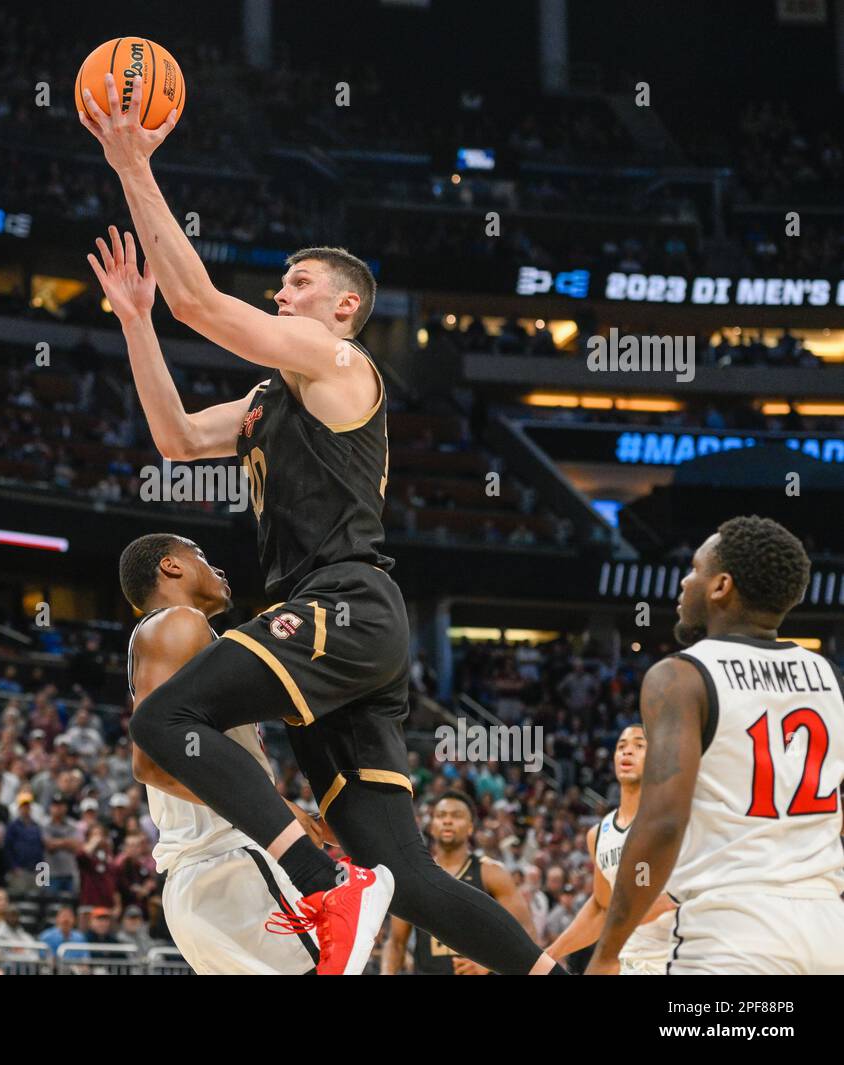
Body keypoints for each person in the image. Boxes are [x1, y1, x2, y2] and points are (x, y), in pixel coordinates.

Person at [81, 84, 563, 977]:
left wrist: (134, 165)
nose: (283, 292)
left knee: (167, 716)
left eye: (298, 283)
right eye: (283, 282)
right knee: (406, 876)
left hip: (343, 604)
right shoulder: (272, 397)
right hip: (340, 636)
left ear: (345, 307)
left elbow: (204, 305)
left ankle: (314, 879)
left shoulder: (341, 363)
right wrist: (137, 323)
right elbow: (178, 439)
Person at [588, 517, 844, 975]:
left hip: (731, 938)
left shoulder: (680, 676)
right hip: (829, 931)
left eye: (693, 569)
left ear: (721, 586)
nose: (685, 582)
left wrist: (608, 952)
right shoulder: (829, 677)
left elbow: (663, 820)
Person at [122, 535, 319, 974]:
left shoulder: (194, 638)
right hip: (232, 864)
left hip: (208, 881)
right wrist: (274, 813)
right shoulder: (179, 622)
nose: (221, 571)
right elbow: (151, 762)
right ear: (171, 567)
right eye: (204, 558)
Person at [547, 725, 675, 974]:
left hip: (681, 961)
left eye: (639, 745)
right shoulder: (599, 833)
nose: (628, 751)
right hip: (631, 965)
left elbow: (672, 898)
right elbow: (601, 908)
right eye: (621, 746)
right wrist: (549, 955)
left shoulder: (673, 821)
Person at [381, 792, 537, 974]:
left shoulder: (491, 872)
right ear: (432, 826)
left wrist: (489, 963)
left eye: (456, 816)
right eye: (441, 816)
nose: (447, 821)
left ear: (470, 827)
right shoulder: (413, 875)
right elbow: (396, 943)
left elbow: (526, 932)